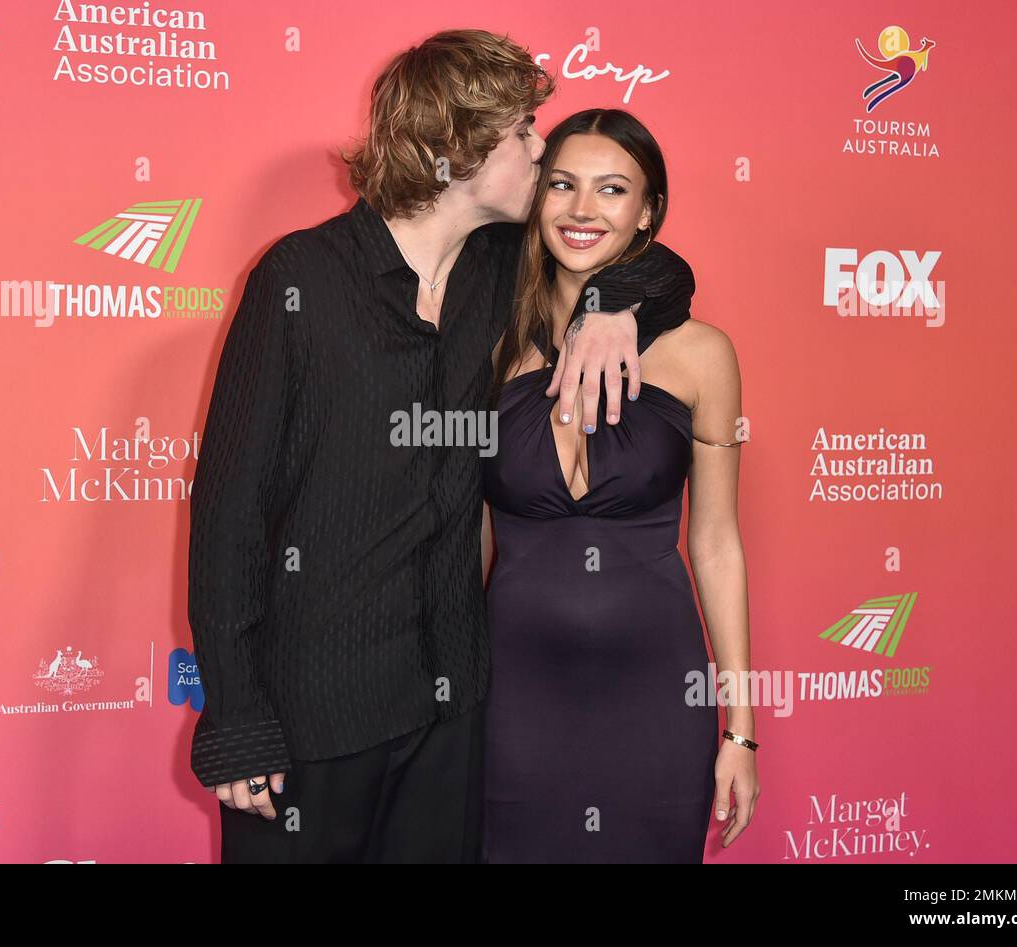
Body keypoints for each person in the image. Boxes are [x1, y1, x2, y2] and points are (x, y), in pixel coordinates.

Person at [187, 31, 685, 863]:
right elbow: (229, 514)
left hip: (449, 715)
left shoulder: (501, 270)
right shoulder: (299, 278)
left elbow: (663, 264)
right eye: (525, 132)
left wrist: (614, 307)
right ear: (457, 148)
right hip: (314, 714)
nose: (542, 150)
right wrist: (236, 714)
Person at [480, 108, 760, 862]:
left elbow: (717, 544)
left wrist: (739, 728)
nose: (581, 210)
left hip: (657, 701)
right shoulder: (491, 345)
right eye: (562, 184)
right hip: (510, 706)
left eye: (612, 190)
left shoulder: (702, 356)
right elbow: (466, 547)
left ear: (648, 213)